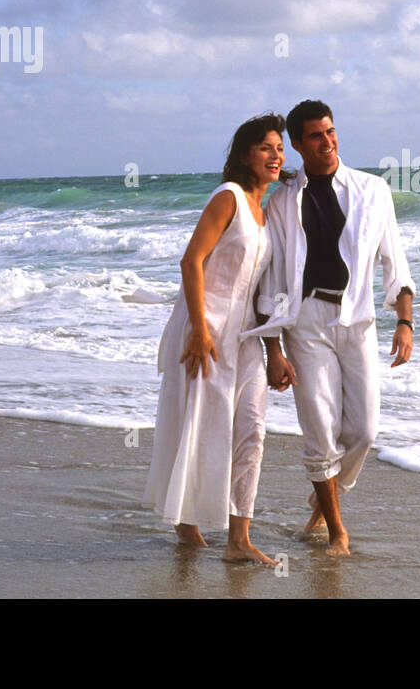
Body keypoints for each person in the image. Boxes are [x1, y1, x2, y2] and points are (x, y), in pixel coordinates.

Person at [245, 99, 415, 556]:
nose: (328, 141)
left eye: (331, 131)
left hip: (357, 320)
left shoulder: (372, 190)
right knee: (320, 430)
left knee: (363, 432)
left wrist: (405, 322)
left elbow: (395, 262)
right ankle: (336, 531)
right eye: (316, 136)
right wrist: (273, 349)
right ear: (298, 145)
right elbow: (272, 277)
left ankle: (325, 496)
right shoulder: (282, 201)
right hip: (305, 323)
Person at [143, 113, 292, 563]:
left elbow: (265, 287)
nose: (276, 155)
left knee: (253, 431)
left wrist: (275, 348)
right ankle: (186, 523)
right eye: (267, 147)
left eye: (280, 149)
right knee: (199, 426)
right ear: (246, 154)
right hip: (205, 330)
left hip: (246, 335)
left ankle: (238, 540)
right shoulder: (228, 197)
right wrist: (200, 330)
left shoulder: (267, 209)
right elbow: (192, 261)